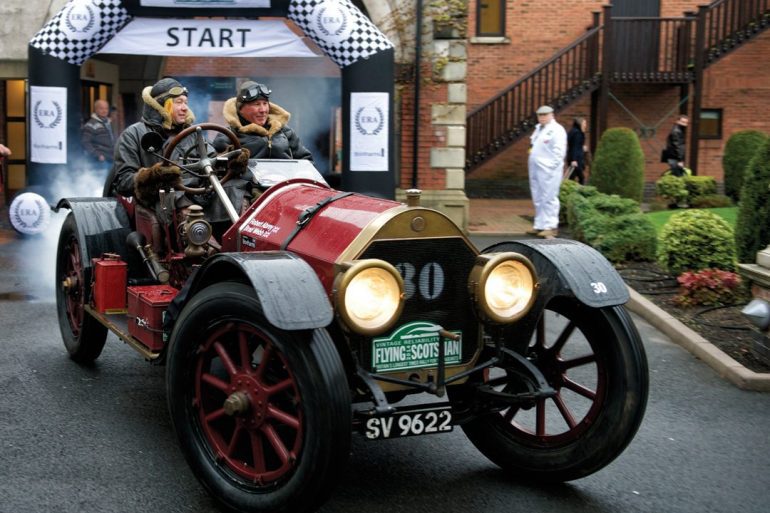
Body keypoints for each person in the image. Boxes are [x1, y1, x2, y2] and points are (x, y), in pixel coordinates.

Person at [213, 80, 313, 161]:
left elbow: (307, 161)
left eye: (265, 103)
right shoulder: (228, 136)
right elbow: (216, 170)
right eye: (256, 104)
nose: (263, 110)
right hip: (248, 186)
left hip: (284, 185)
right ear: (240, 109)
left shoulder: (285, 132)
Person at [527, 105, 567, 239]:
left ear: (552, 115)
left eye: (545, 115)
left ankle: (550, 227)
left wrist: (552, 166)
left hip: (549, 169)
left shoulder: (557, 130)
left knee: (549, 197)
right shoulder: (538, 129)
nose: (542, 117)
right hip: (535, 167)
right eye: (540, 115)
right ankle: (540, 225)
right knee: (538, 197)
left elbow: (559, 151)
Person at [81, 99, 115, 170]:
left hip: (111, 159)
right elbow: (85, 142)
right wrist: (98, 155)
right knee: (101, 180)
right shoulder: (90, 124)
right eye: (101, 108)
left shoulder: (108, 123)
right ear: (96, 109)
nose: (104, 111)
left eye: (106, 108)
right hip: (100, 161)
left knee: (110, 180)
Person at [566, 117, 587, 185]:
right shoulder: (578, 133)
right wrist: (574, 160)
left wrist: (582, 147)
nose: (585, 125)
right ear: (580, 124)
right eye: (584, 123)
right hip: (576, 159)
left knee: (572, 177)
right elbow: (575, 146)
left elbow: (573, 145)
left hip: (572, 157)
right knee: (581, 178)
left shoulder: (573, 131)